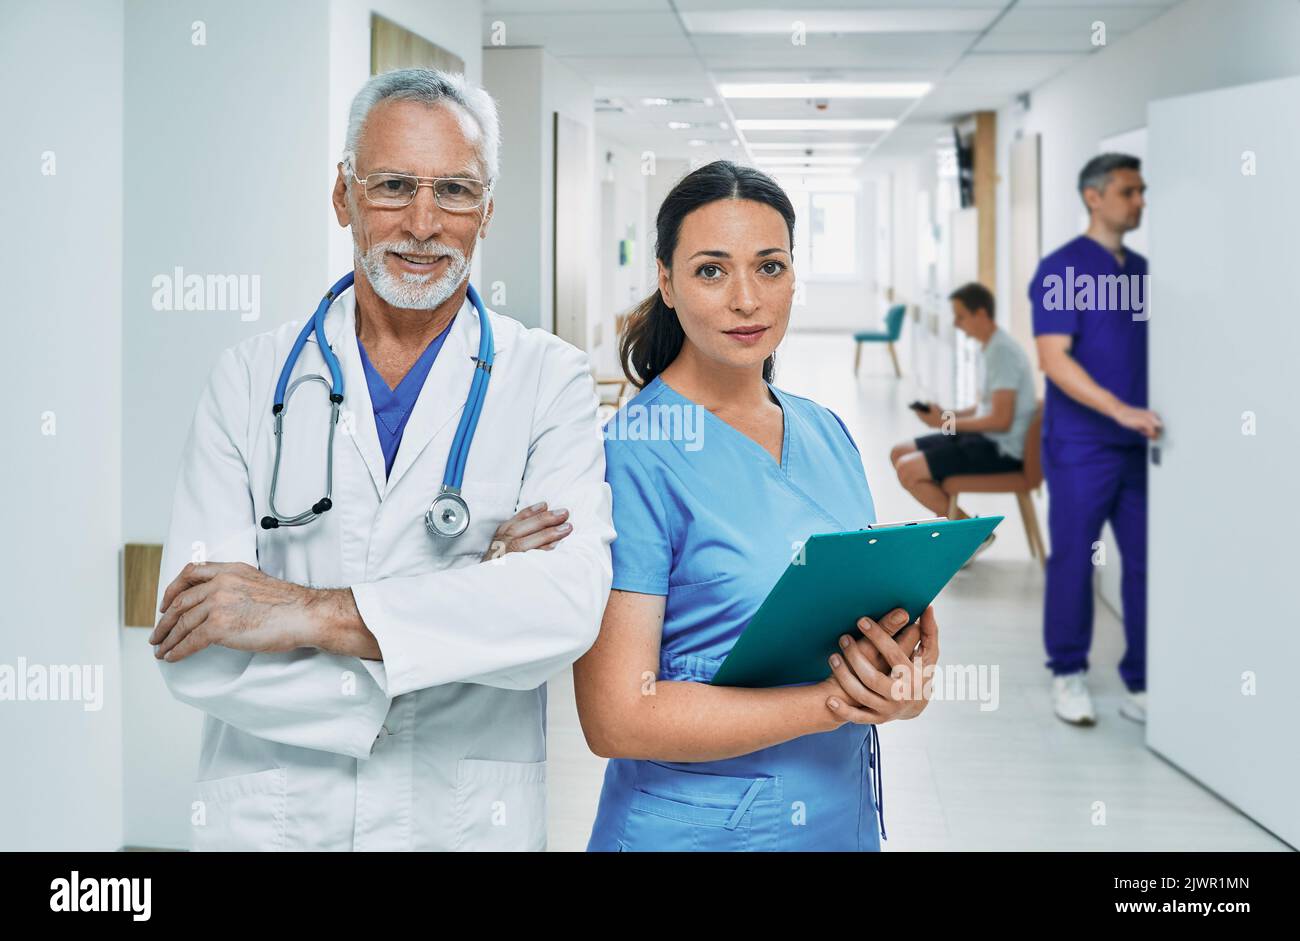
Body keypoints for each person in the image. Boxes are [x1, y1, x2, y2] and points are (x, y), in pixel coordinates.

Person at [148, 68, 612, 851]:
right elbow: (197, 647)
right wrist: (463, 607)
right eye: (393, 185)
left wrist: (304, 609)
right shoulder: (248, 380)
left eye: (456, 192)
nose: (424, 223)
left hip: (462, 820)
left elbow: (561, 611)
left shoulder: (549, 378)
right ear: (343, 197)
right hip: (279, 822)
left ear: (488, 210)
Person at [574, 160, 939, 852]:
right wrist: (835, 703)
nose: (747, 299)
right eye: (712, 270)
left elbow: (850, 621)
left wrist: (900, 678)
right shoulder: (634, 453)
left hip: (841, 815)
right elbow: (616, 714)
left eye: (770, 267)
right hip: (701, 828)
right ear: (666, 281)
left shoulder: (826, 430)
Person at [1031, 152, 1161, 727]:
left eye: (1141, 191)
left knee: (1146, 563)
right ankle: (1068, 672)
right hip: (1082, 445)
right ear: (1095, 196)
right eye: (1130, 192)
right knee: (1076, 562)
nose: (1139, 202)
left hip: (1141, 448)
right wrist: (1119, 410)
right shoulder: (1062, 270)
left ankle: (1143, 680)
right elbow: (1054, 359)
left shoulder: (1144, 271)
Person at [889, 282, 1037, 562]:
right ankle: (972, 533)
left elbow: (1001, 420)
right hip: (984, 439)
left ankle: (968, 536)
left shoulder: (1002, 353)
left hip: (1001, 450)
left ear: (980, 314)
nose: (956, 324)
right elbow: (985, 407)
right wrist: (948, 415)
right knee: (898, 453)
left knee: (908, 470)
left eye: (960, 316)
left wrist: (946, 423)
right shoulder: (991, 347)